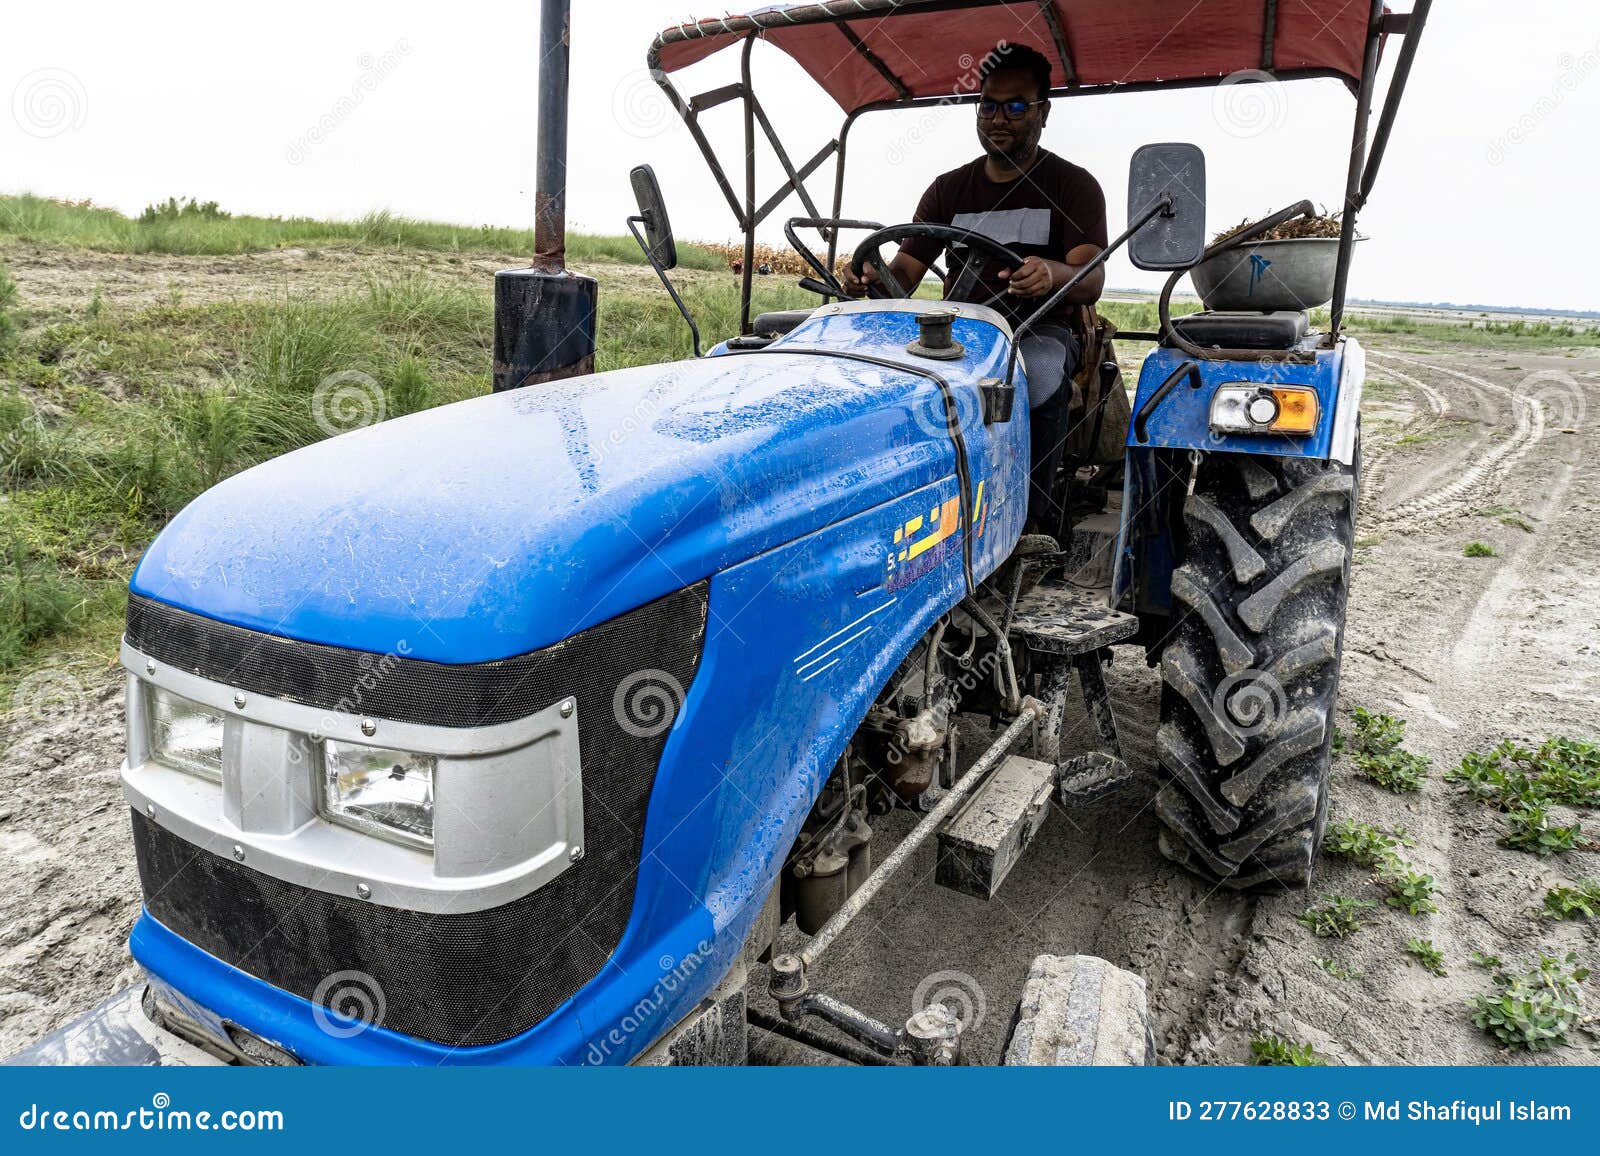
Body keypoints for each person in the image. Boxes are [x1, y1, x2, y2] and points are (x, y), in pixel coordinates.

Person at [840, 42, 1107, 537]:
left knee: (1040, 377)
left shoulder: (1073, 185)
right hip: (956, 331)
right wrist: (871, 276)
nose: (999, 118)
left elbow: (1090, 278)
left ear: (1042, 113)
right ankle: (896, 512)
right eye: (988, 105)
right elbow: (906, 270)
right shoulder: (948, 189)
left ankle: (1032, 526)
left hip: (1034, 328)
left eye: (1016, 106)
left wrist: (1051, 274)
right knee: (877, 381)